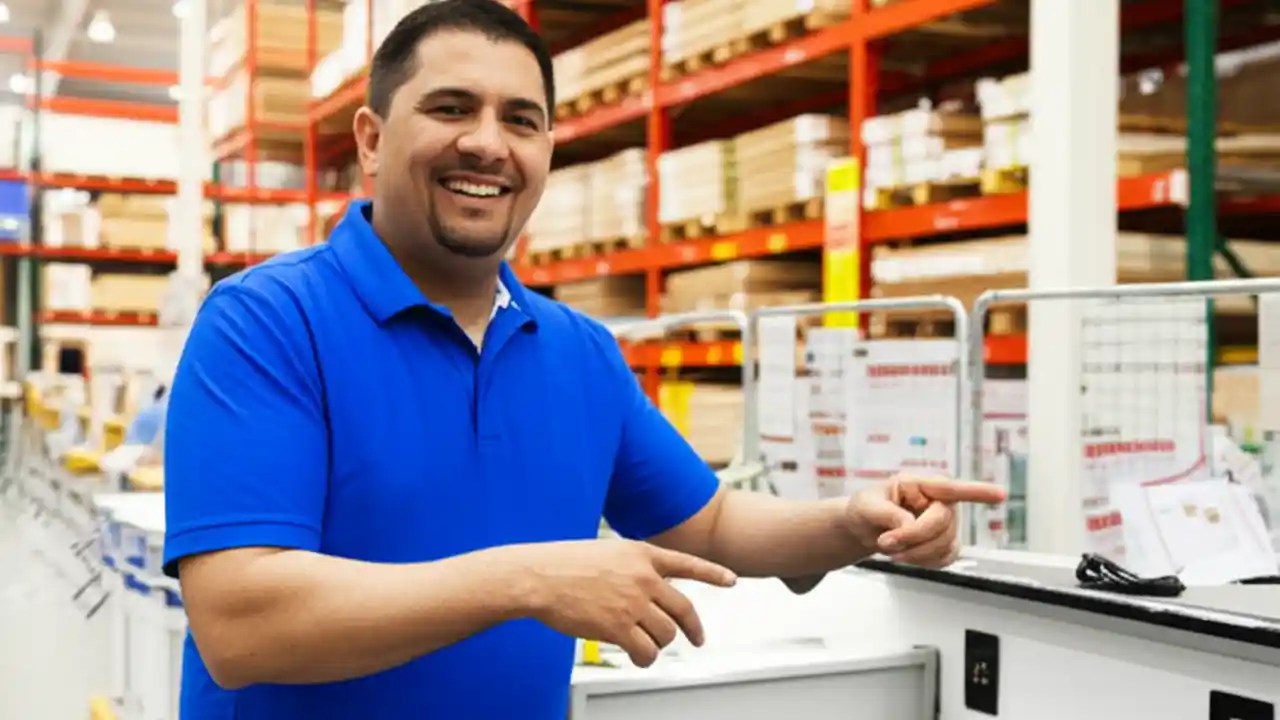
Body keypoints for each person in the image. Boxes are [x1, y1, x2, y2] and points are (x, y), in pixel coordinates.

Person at [161, 2, 1007, 718]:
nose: (489, 145)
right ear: (373, 139)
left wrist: (852, 524)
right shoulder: (267, 323)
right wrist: (530, 579)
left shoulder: (576, 352)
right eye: (452, 108)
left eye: (521, 120)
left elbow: (706, 524)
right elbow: (242, 623)